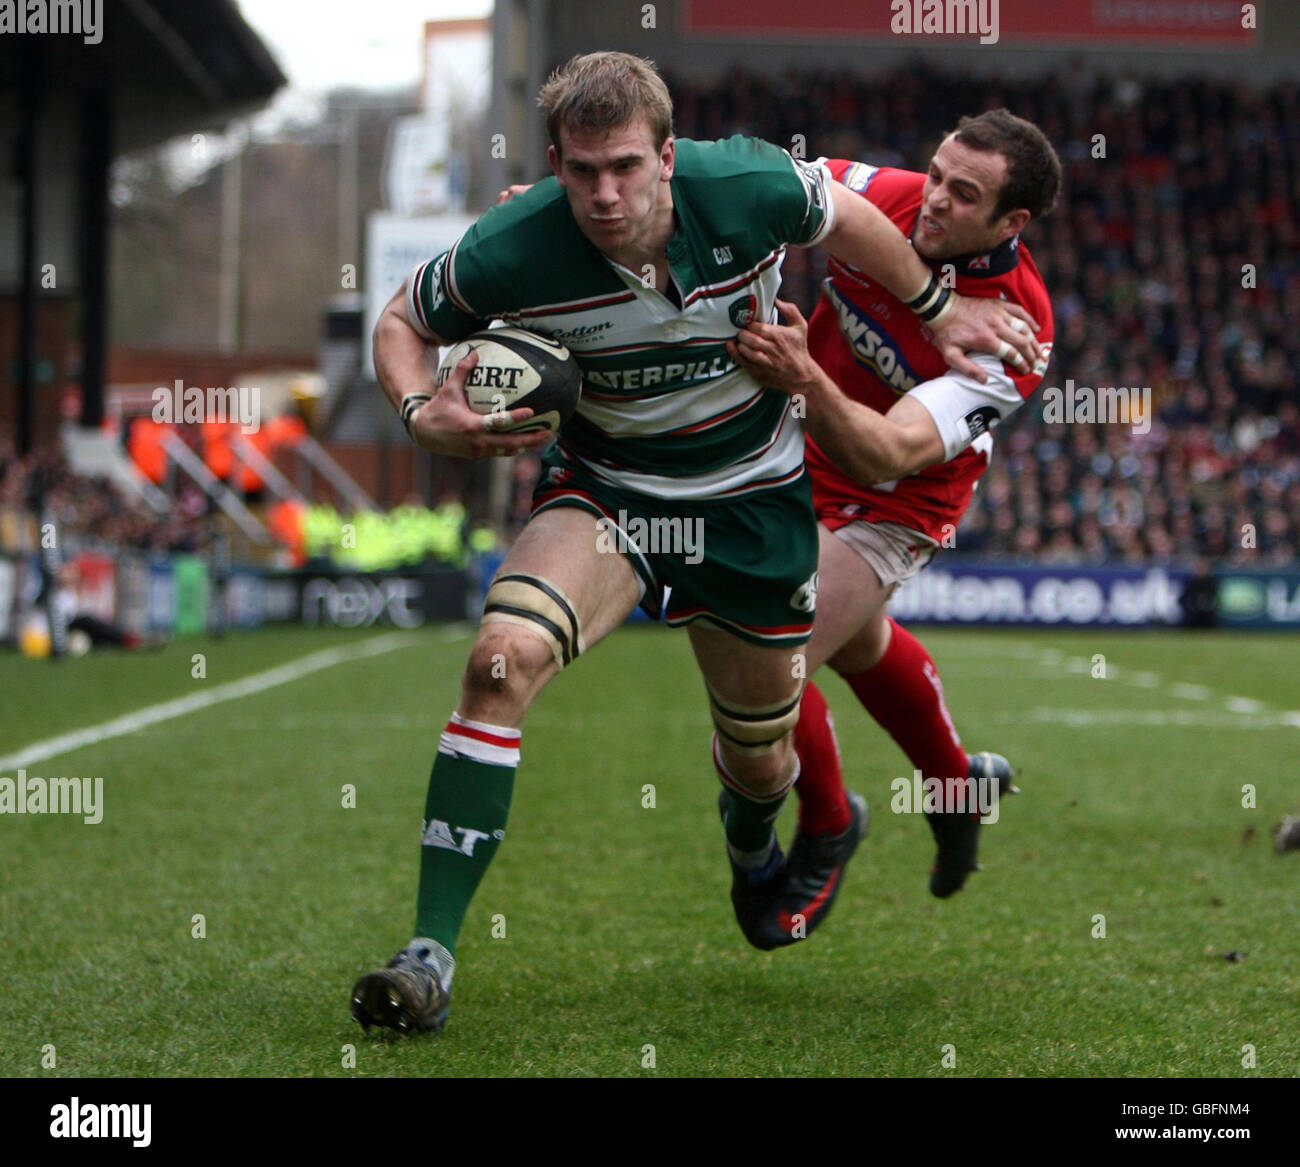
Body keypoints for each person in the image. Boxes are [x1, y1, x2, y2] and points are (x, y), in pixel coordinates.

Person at [352, 53, 1043, 1034]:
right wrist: (422, 412)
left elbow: (845, 260)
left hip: (760, 501)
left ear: (669, 157)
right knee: (498, 663)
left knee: (760, 762)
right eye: (581, 170)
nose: (603, 193)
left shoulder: (749, 185)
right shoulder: (515, 244)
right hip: (608, 495)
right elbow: (401, 320)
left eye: (625, 167)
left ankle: (766, 843)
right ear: (554, 163)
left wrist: (937, 310)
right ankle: (426, 955)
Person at [726, 109, 1060, 946]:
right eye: (938, 173)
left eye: (965, 193)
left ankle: (831, 821)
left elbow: (886, 449)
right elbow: (740, 178)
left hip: (896, 496)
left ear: (1011, 222)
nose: (935, 200)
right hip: (798, 452)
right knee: (858, 641)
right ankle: (956, 788)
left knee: (770, 656)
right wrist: (564, 210)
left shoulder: (1016, 333)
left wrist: (802, 377)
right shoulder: (892, 197)